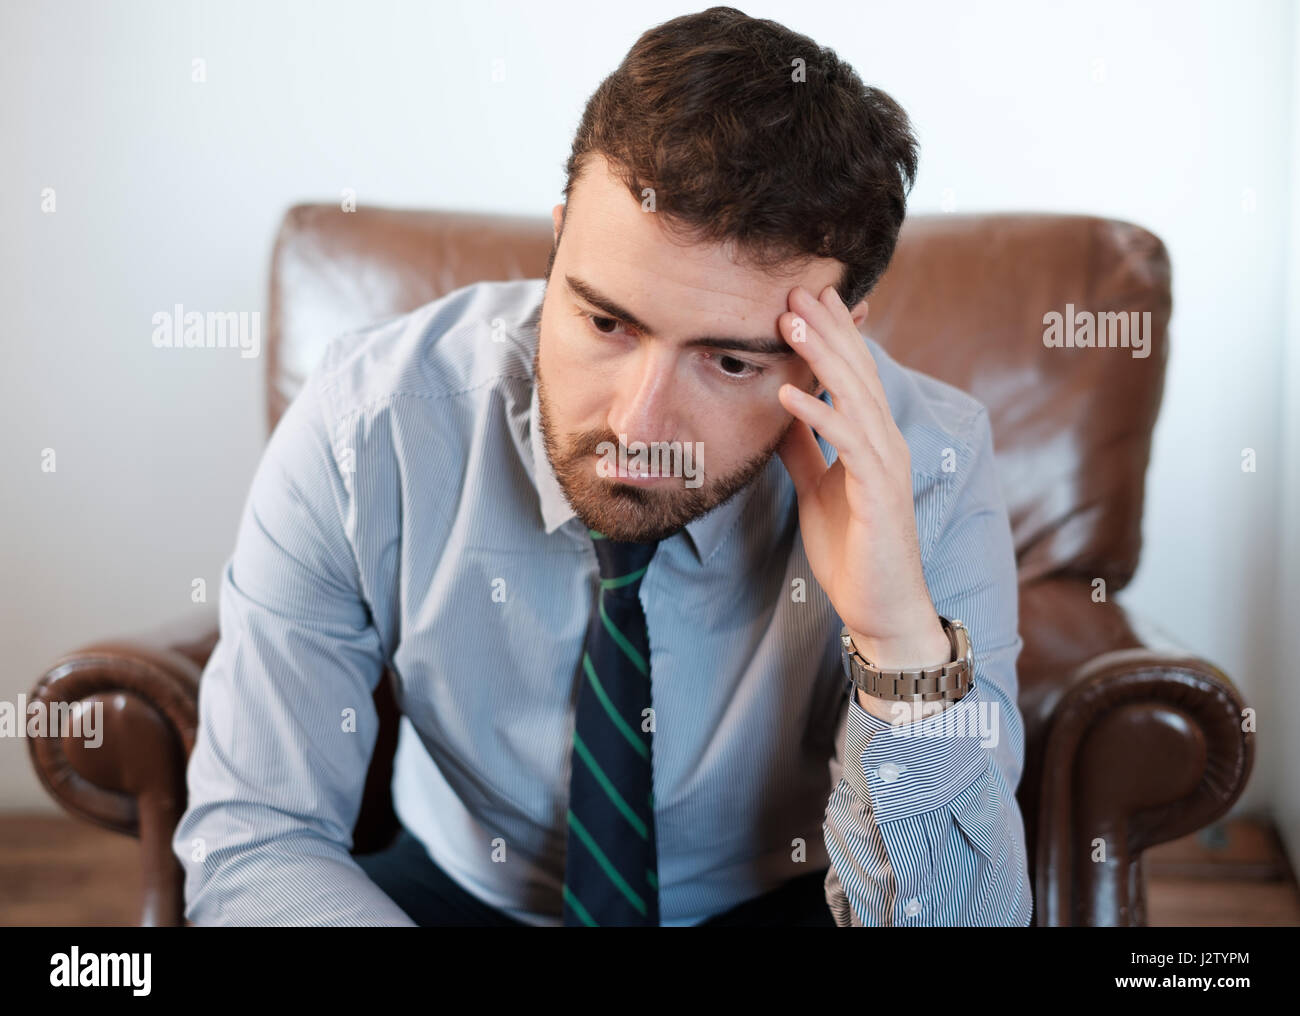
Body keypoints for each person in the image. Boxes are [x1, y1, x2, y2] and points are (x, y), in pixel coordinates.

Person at [173, 6, 1033, 927]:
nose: (637, 422)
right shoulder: (368, 426)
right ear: (558, 249)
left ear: (833, 348)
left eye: (730, 360)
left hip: (779, 897)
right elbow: (258, 838)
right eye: (604, 322)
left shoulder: (927, 466)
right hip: (462, 893)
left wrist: (899, 642)